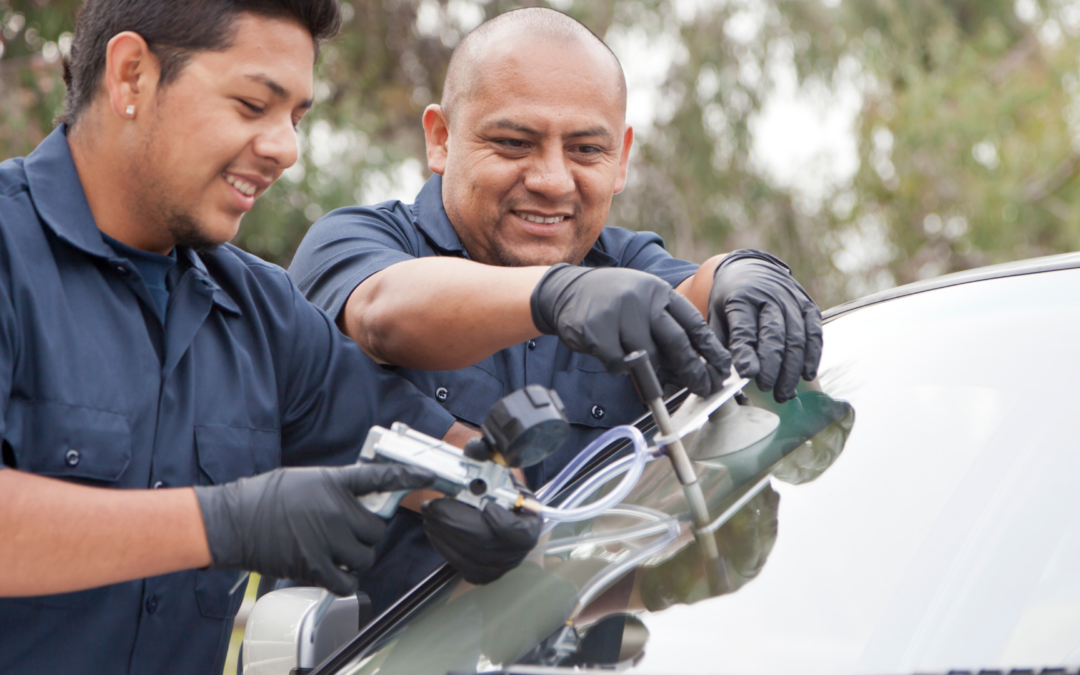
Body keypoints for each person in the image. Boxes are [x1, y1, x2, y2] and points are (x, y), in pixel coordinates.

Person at [0, 1, 537, 673]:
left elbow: (422, 449)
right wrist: (225, 522)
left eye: (297, 117)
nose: (285, 148)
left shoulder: (262, 312)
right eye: (254, 104)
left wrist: (489, 494)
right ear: (131, 75)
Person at [289, 7, 823, 614]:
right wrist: (555, 295)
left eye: (585, 149)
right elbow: (385, 310)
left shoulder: (626, 267)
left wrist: (744, 272)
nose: (550, 179)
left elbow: (692, 298)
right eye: (514, 143)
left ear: (621, 158)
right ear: (440, 138)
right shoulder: (354, 242)